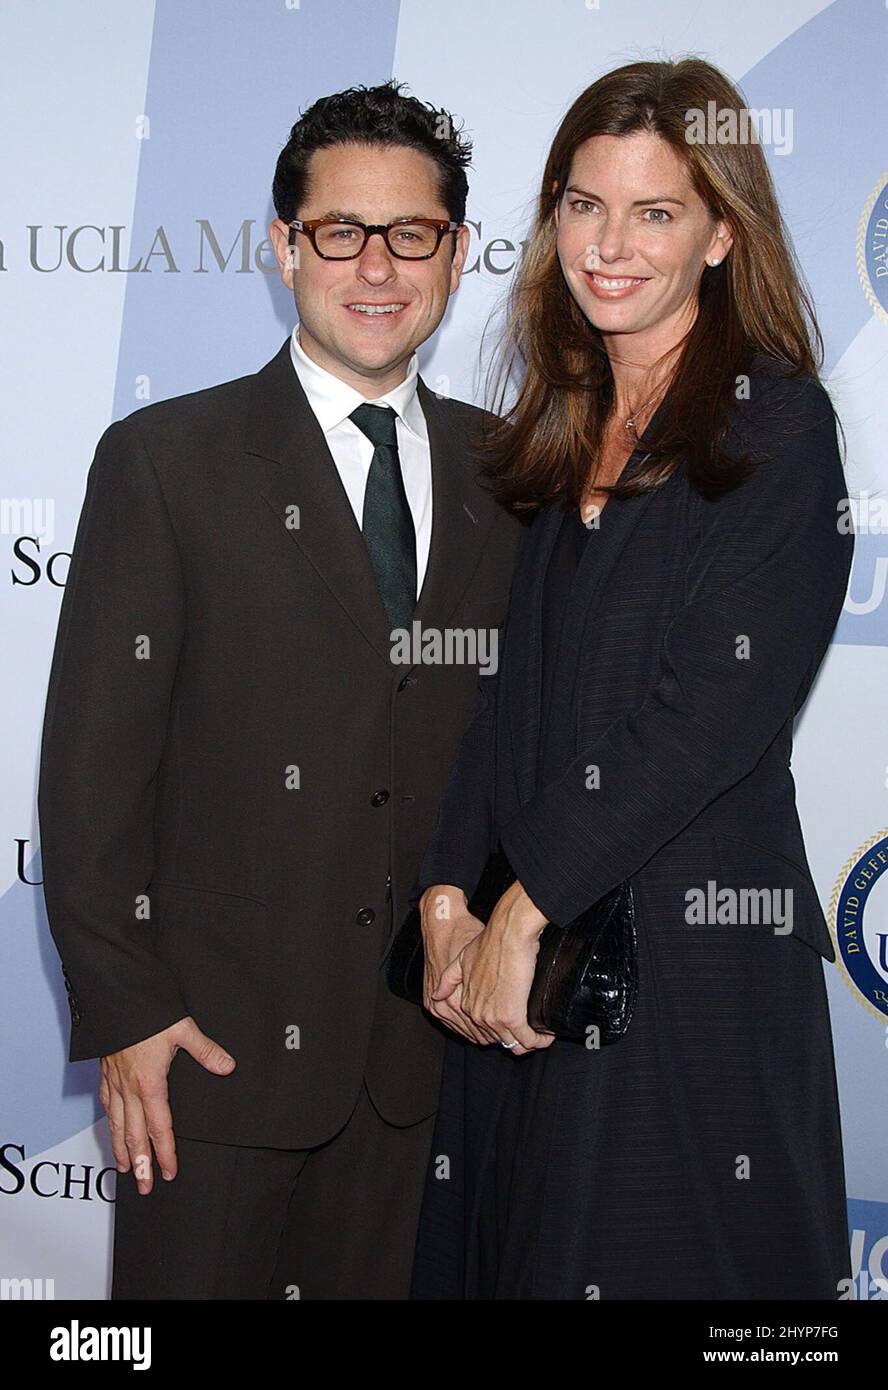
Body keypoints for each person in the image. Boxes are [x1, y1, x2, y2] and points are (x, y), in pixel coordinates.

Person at [37, 80, 520, 1300]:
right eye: (338, 231)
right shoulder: (166, 461)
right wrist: (128, 1010)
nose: (376, 265)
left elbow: (513, 747)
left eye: (411, 233)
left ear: (457, 256)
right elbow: (93, 773)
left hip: (428, 1065)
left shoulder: (508, 471)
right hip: (212, 1057)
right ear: (281, 246)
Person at [409, 58, 854, 1301]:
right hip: (529, 982)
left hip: (680, 970)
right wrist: (449, 893)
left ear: (721, 233)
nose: (611, 245)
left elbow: (708, 713)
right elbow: (501, 698)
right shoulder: (558, 424)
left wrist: (523, 902)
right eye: (583, 204)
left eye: (655, 212)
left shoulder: (776, 429)